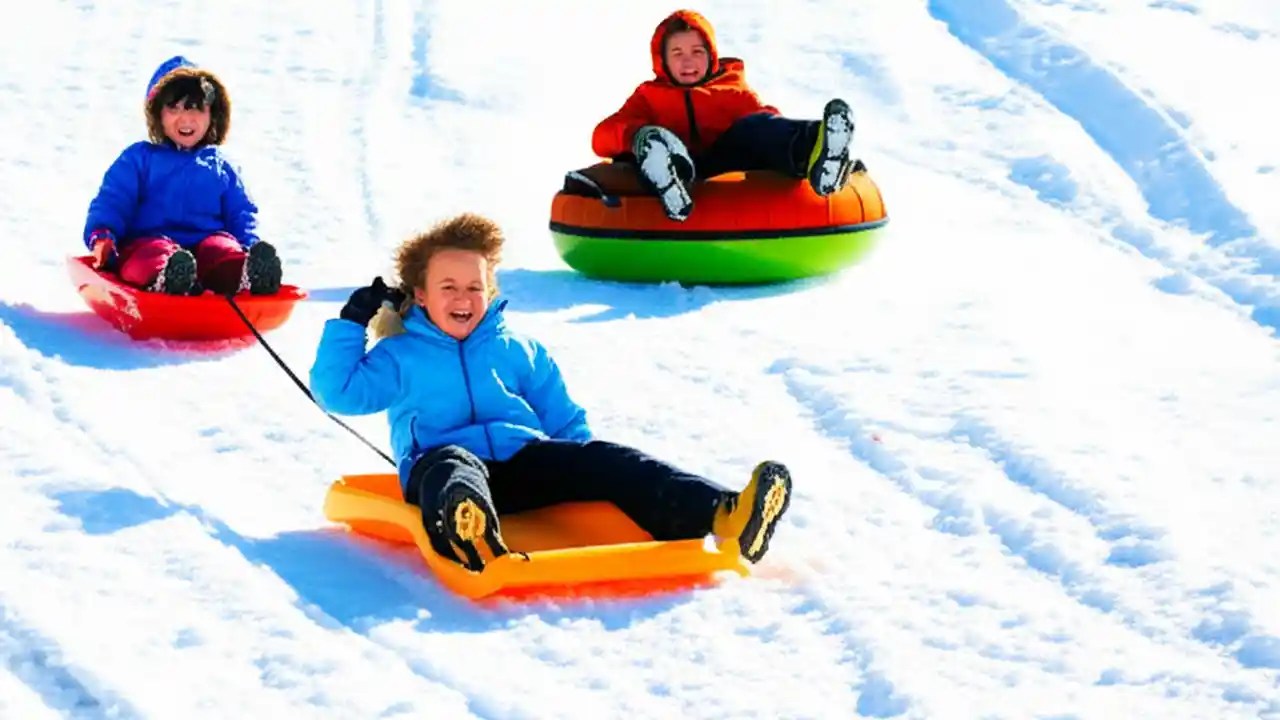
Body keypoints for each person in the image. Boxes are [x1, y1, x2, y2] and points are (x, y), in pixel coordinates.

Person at [309, 212, 793, 572]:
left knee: (610, 459)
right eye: (448, 287)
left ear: (491, 291)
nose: (463, 299)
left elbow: (563, 420)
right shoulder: (400, 356)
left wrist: (586, 472)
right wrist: (352, 323)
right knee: (451, 466)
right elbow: (339, 393)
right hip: (441, 465)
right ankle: (466, 525)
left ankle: (724, 514)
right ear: (420, 296)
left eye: (474, 288)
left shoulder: (519, 349)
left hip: (525, 463)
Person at [590, 9, 857, 221]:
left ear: (711, 56)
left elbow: (768, 124)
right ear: (662, 60)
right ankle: (667, 176)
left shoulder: (731, 89)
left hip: (726, 163)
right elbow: (602, 136)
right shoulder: (649, 96)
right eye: (677, 53)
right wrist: (636, 135)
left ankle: (819, 154)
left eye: (697, 52)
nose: (687, 62)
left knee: (755, 127)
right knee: (649, 141)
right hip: (683, 165)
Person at [82, 55, 282, 296]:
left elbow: (241, 212)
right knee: (148, 255)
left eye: (196, 108)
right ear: (158, 115)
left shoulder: (221, 166)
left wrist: (249, 246)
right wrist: (103, 236)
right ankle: (167, 280)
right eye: (174, 108)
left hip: (206, 247)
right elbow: (113, 200)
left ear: (212, 114)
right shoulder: (139, 158)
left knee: (222, 249)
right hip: (149, 242)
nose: (186, 118)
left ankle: (246, 276)